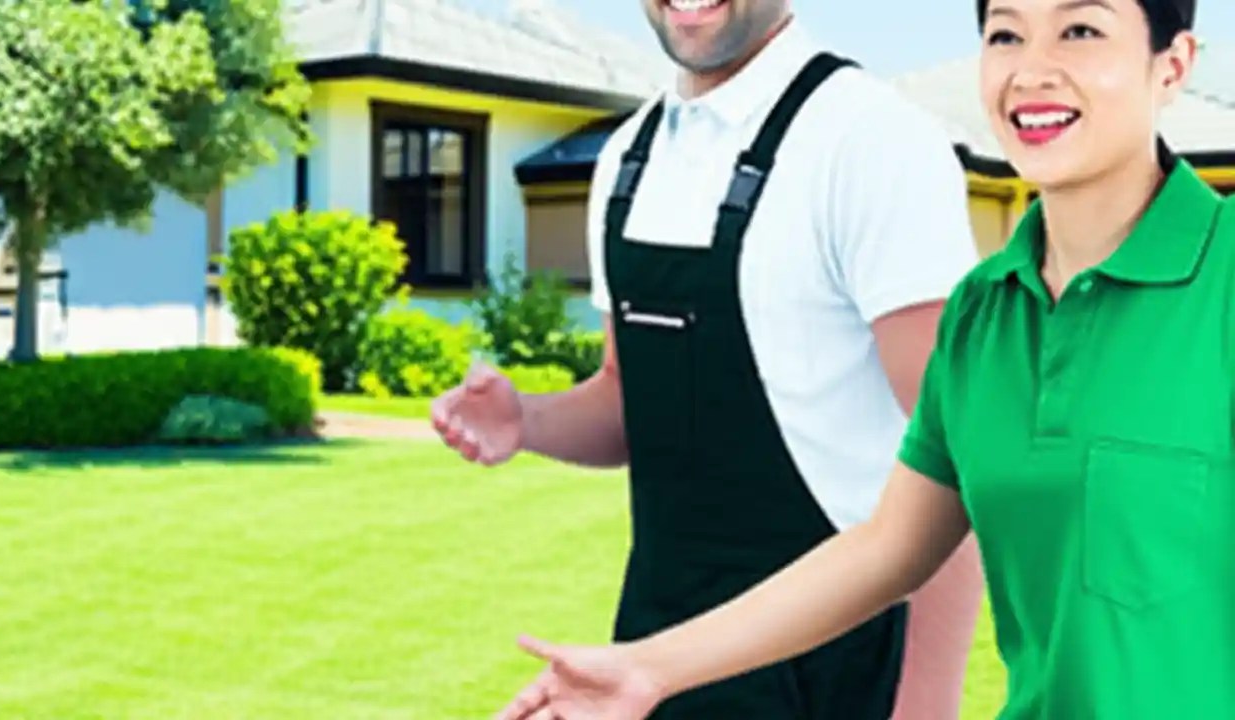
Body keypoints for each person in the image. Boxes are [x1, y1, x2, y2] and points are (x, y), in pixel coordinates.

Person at [494, 0, 1235, 718]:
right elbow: (892, 548)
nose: (1033, 70)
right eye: (1006, 35)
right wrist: (643, 672)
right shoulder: (984, 311)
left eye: (1080, 30)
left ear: (1172, 66)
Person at [432, 1, 987, 717]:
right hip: (649, 665)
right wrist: (526, 420)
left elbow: (956, 460)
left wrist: (924, 708)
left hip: (836, 680)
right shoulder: (628, 157)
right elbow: (628, 400)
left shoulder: (869, 140)